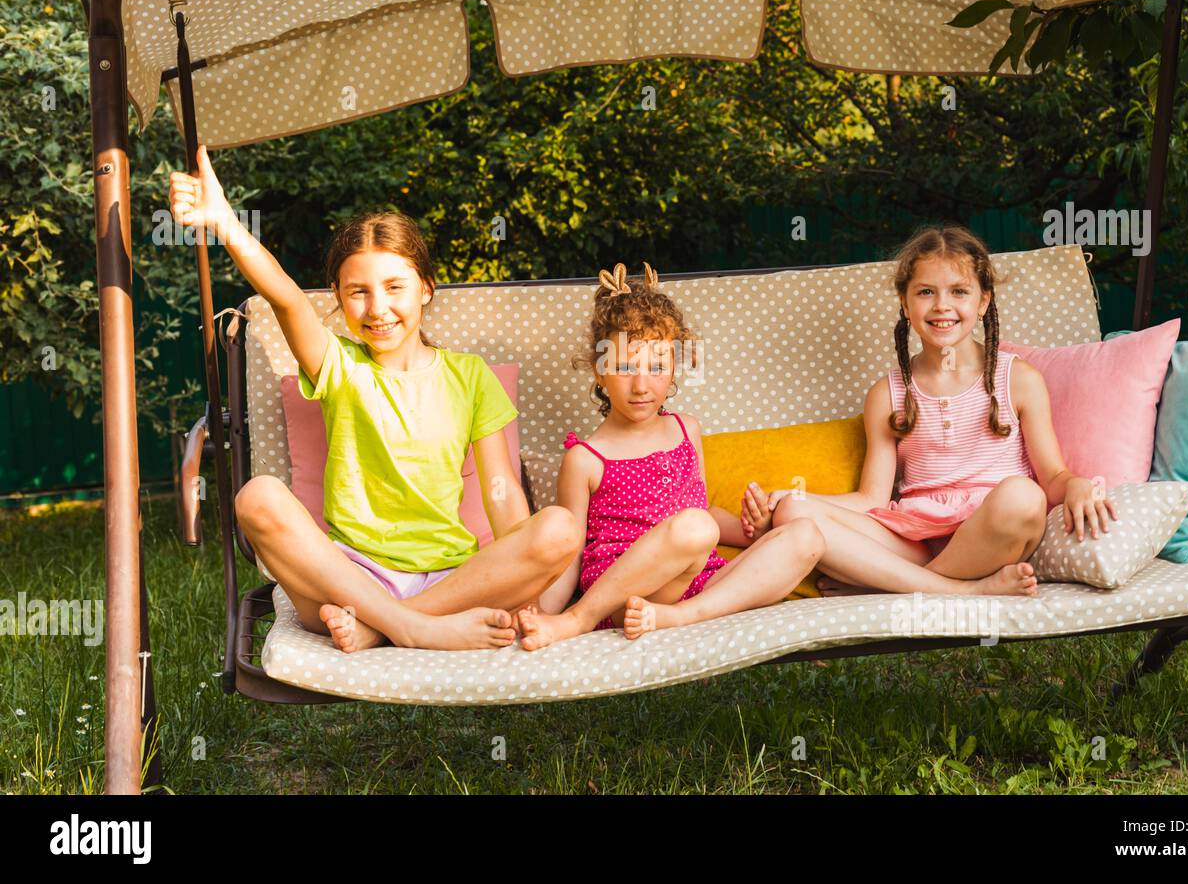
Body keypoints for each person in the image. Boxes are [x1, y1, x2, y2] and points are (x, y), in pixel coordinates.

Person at [169, 145, 583, 652]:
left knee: (560, 529)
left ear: (426, 289)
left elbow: (501, 493)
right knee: (256, 497)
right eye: (357, 292)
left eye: (394, 287)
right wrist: (225, 222)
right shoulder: (338, 363)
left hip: (451, 581)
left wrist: (523, 565)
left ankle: (387, 627)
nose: (378, 308)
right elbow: (285, 298)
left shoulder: (470, 376)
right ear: (339, 300)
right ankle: (412, 628)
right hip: (345, 584)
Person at [744, 225, 1117, 597]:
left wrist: (1076, 485)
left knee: (1024, 496)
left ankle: (888, 583)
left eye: (959, 291)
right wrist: (795, 497)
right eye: (925, 292)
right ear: (905, 304)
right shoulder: (886, 395)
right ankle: (951, 588)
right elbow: (871, 500)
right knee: (793, 511)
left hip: (992, 531)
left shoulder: (1017, 379)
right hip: (914, 540)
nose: (942, 306)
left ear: (983, 301)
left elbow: (1052, 476)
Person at [516, 262, 825, 649]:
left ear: (674, 367)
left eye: (657, 367)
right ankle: (579, 621)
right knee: (695, 528)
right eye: (625, 367)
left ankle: (681, 618)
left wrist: (757, 532)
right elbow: (570, 551)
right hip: (620, 594)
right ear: (599, 372)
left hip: (696, 582)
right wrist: (543, 611)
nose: (642, 385)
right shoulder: (586, 458)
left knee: (806, 535)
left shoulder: (686, 429)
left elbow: (704, 511)